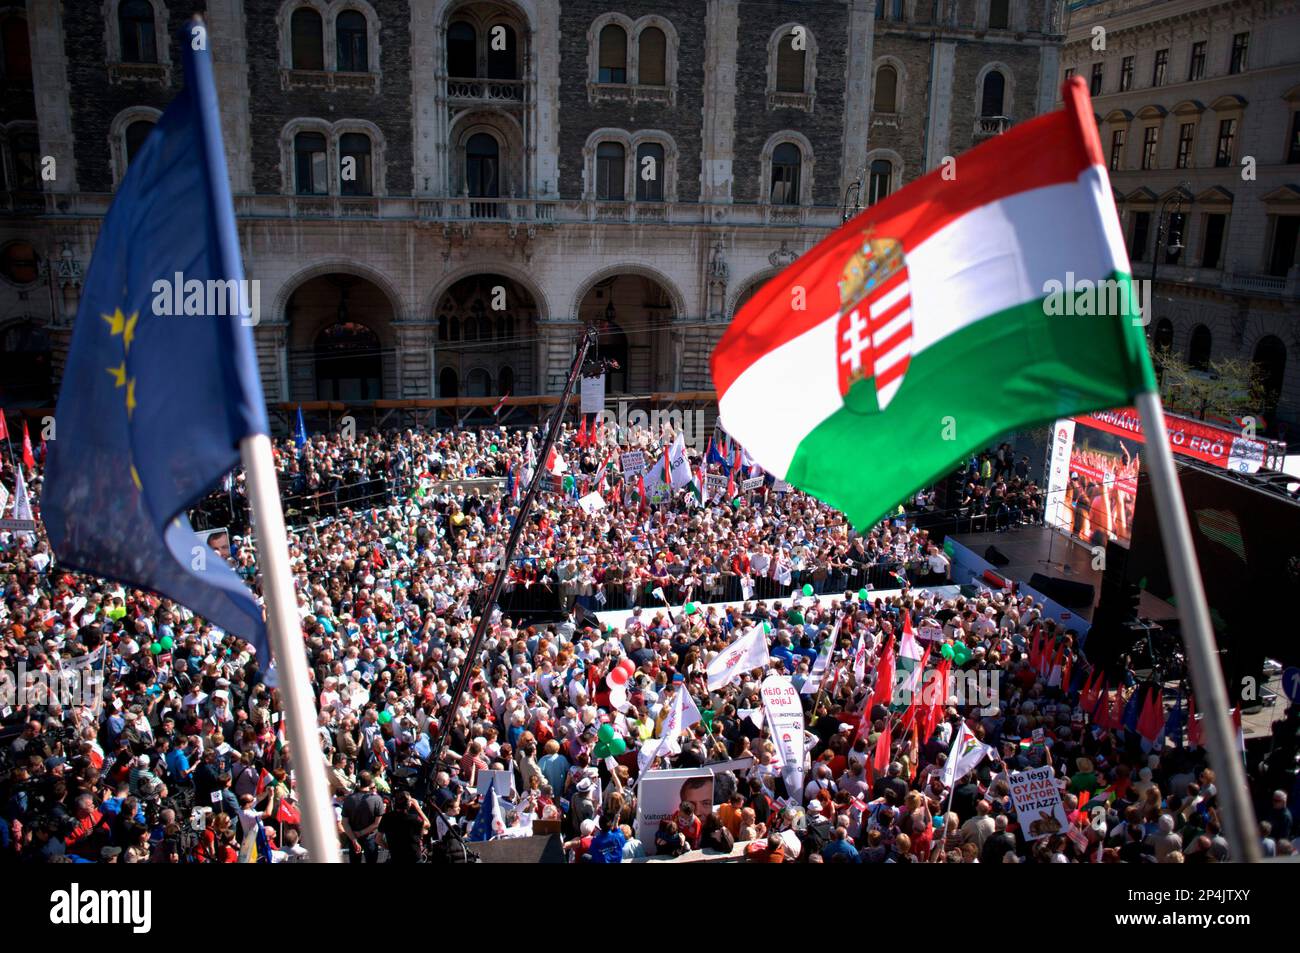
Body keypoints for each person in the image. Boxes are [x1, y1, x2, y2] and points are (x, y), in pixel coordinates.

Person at [341, 771, 386, 863]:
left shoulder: (349, 799)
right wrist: (361, 833)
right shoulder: (377, 800)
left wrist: (354, 839)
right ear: (370, 783)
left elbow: (344, 822)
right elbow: (377, 823)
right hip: (370, 838)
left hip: (353, 836)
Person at [377, 790, 428, 863]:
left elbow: (378, 839)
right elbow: (428, 824)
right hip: (414, 858)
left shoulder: (386, 817)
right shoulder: (415, 819)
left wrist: (390, 848)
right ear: (409, 804)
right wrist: (417, 807)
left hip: (396, 857)